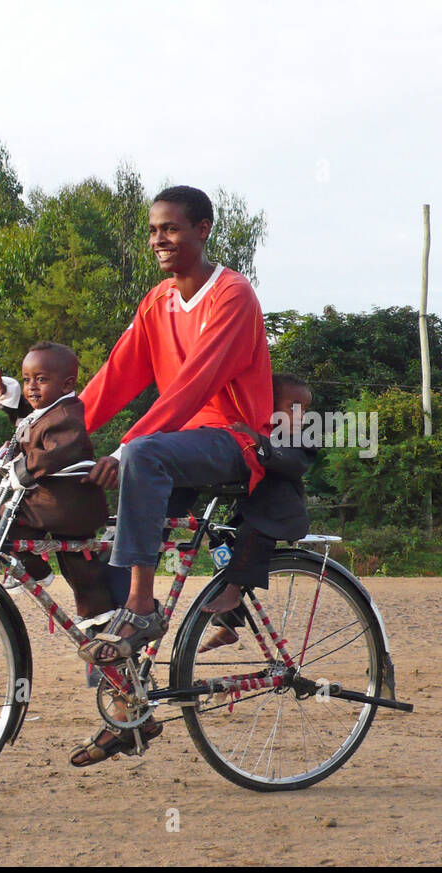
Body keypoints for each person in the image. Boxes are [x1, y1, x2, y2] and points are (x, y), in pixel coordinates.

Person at [69, 186, 274, 766]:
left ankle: (144, 607)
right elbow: (114, 378)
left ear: (204, 229)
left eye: (172, 228)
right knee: (90, 544)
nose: (159, 238)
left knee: (141, 458)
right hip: (179, 442)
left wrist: (132, 444)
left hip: (233, 439)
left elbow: (195, 385)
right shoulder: (157, 302)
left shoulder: (231, 294)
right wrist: (47, 434)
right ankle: (127, 709)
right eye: (154, 230)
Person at [0, 343, 117, 619]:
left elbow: (55, 452)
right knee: (79, 566)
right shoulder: (46, 412)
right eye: (27, 379)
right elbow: (24, 425)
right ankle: (97, 617)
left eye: (41, 379)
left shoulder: (66, 416)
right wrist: (5, 395)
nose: (31, 387)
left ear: (67, 384)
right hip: (59, 503)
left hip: (69, 504)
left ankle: (35, 572)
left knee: (12, 515)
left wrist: (21, 469)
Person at [197, 373, 317, 652]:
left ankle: (231, 595)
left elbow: (293, 464)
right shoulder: (258, 428)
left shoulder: (300, 437)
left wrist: (259, 443)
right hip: (255, 508)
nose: (300, 414)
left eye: (305, 409)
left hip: (281, 514)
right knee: (222, 544)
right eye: (293, 406)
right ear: (267, 405)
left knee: (251, 536)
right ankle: (229, 624)